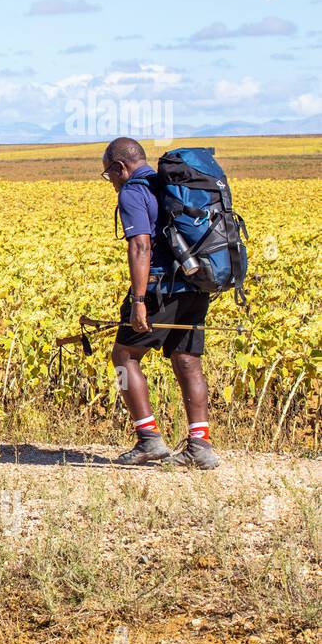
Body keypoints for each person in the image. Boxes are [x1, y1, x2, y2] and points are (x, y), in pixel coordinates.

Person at [102, 137, 217, 469]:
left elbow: (140, 246)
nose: (109, 180)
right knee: (187, 360)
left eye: (108, 173)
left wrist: (139, 300)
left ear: (119, 167)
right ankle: (200, 445)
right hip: (196, 283)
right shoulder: (167, 184)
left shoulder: (133, 192)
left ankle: (148, 439)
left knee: (124, 356)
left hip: (159, 288)